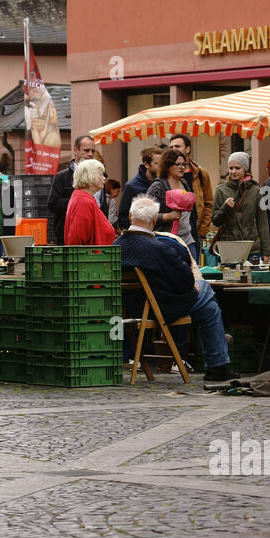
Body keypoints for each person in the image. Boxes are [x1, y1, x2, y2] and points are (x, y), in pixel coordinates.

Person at [114, 195, 237, 382]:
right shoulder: (159, 248)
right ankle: (217, 364)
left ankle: (218, 363)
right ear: (155, 220)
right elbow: (186, 281)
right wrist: (194, 286)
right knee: (206, 292)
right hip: (163, 308)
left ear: (130, 216)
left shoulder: (115, 247)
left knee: (207, 304)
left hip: (131, 309)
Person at [211, 152, 270, 264]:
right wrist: (225, 208)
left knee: (253, 280)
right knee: (230, 280)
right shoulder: (221, 190)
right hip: (229, 246)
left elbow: (262, 222)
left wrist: (266, 252)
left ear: (245, 169)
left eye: (237, 168)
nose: (233, 172)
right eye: (231, 168)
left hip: (252, 248)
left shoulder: (256, 190)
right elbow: (215, 221)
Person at [46, 134, 97, 245]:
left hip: (93, 236)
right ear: (75, 150)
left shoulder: (99, 175)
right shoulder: (62, 177)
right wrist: (77, 201)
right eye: (86, 150)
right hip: (66, 235)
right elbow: (53, 204)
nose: (90, 154)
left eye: (93, 151)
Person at [146, 149, 196, 255]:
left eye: (184, 164)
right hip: (167, 241)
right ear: (168, 166)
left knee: (193, 271)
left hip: (188, 240)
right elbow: (146, 215)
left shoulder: (184, 183)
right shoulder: (158, 186)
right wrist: (169, 216)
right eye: (178, 164)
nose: (182, 167)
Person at [168, 134, 214, 245]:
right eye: (171, 147)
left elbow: (209, 203)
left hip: (194, 231)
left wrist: (202, 230)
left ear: (188, 149)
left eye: (177, 146)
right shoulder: (166, 175)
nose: (173, 150)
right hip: (171, 231)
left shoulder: (200, 173)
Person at [64, 158, 116, 246]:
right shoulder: (83, 202)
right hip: (90, 258)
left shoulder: (83, 198)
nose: (104, 178)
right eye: (101, 174)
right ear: (91, 175)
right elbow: (77, 240)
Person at [118, 145, 162, 231]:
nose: (160, 167)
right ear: (146, 164)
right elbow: (123, 219)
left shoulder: (163, 184)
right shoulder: (132, 186)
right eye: (157, 164)